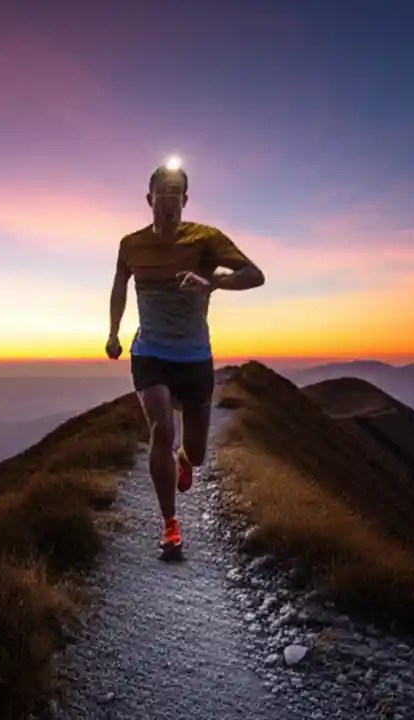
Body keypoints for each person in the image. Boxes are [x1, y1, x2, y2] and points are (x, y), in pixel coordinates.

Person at [106, 159, 265, 556]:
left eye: (177, 193)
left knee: (194, 450)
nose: (170, 200)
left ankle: (184, 460)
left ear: (186, 200)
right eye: (164, 193)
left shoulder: (206, 239)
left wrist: (212, 283)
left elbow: (254, 274)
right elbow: (119, 286)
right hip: (151, 352)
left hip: (194, 357)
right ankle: (170, 526)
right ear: (150, 199)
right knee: (161, 428)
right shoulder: (131, 244)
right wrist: (112, 333)